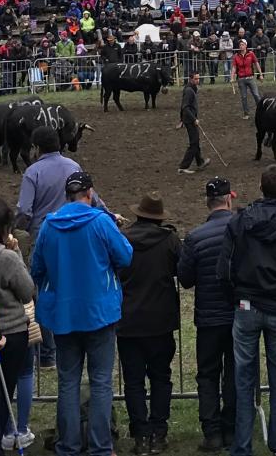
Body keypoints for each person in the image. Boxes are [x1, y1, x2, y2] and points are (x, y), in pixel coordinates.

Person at [32, 172, 132, 456]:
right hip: (100, 312)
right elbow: (125, 256)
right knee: (101, 381)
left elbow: (36, 267)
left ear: (67, 196)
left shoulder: (49, 225)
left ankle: (69, 445)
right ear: (90, 193)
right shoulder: (101, 222)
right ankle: (100, 447)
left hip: (63, 314)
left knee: (68, 381)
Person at [218, 164, 276, 456]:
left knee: (244, 379)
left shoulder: (240, 222)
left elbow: (224, 269)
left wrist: (235, 297)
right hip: (275, 307)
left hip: (249, 306)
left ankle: (243, 446)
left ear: (261, 187)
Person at [118, 192, 180, 455]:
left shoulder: (123, 240)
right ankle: (159, 431)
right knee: (161, 377)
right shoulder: (170, 241)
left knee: (133, 381)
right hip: (160, 320)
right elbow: (181, 270)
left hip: (129, 320)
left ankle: (141, 436)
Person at [179, 178, 238, 451]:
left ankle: (212, 431)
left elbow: (185, 279)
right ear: (229, 199)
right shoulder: (243, 232)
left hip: (208, 317)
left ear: (207, 202)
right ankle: (232, 427)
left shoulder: (195, 237)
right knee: (235, 372)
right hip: (237, 314)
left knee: (208, 375)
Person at [0, 199, 38, 456]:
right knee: (4, 392)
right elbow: (27, 291)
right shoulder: (9, 258)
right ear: (5, 227)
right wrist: (18, 255)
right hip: (11, 331)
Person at [18, 127, 84, 238]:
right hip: (72, 229)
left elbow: (24, 211)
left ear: (37, 148)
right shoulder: (74, 166)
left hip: (43, 233)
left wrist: (17, 228)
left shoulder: (32, 172)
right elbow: (90, 197)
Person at [179, 74, 208, 173]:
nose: (197, 80)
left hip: (190, 119)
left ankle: (200, 162)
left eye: (198, 78)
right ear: (190, 79)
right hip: (189, 120)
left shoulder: (191, 89)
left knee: (195, 141)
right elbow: (185, 107)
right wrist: (194, 119)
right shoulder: (189, 91)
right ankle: (183, 167)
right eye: (195, 79)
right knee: (194, 143)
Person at [232, 43, 261, 118]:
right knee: (244, 97)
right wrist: (232, 77)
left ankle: (261, 110)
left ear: (246, 46)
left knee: (256, 95)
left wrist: (260, 74)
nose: (241, 46)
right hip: (241, 79)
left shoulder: (251, 54)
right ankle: (246, 113)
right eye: (240, 45)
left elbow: (256, 63)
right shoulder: (236, 56)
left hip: (250, 78)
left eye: (242, 45)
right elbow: (234, 67)